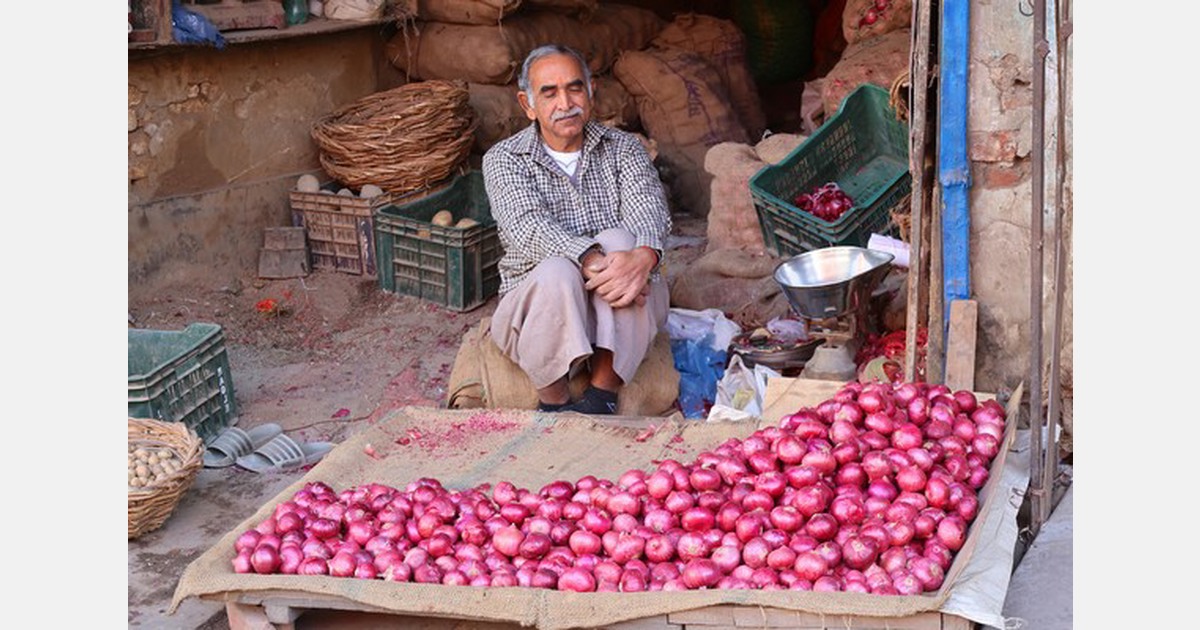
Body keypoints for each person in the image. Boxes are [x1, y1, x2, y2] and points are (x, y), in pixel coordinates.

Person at [482, 44, 672, 415]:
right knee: (556, 271)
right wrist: (589, 258)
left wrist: (642, 256)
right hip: (541, 311)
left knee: (623, 243)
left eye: (574, 88)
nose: (565, 102)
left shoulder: (624, 149)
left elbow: (649, 208)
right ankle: (554, 399)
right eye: (548, 93)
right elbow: (526, 226)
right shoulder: (505, 158)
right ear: (527, 104)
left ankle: (602, 393)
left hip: (620, 306)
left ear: (591, 92)